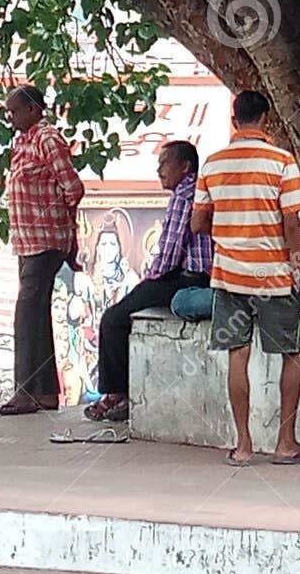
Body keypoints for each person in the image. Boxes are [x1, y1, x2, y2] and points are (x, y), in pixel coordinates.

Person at [191, 90, 300, 466]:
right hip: (274, 277)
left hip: (229, 276)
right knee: (291, 353)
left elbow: (198, 222)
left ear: (233, 121)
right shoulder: (281, 162)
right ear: (266, 119)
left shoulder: (213, 164)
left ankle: (243, 445)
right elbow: (292, 224)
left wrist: (232, 233)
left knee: (238, 355)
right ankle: (286, 442)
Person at [84, 140, 213, 422]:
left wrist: (149, 278)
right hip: (200, 277)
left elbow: (171, 249)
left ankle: (117, 393)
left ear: (184, 166)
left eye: (164, 163)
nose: (159, 170)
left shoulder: (185, 195)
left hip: (188, 279)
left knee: (114, 318)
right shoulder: (199, 190)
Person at [0, 83, 85, 416]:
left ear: (33, 109)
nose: (11, 117)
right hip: (28, 241)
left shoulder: (47, 139)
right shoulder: (23, 141)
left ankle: (26, 392)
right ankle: (45, 392)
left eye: (15, 111)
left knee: (26, 315)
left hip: (46, 240)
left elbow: (73, 187)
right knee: (35, 315)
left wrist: (66, 230)